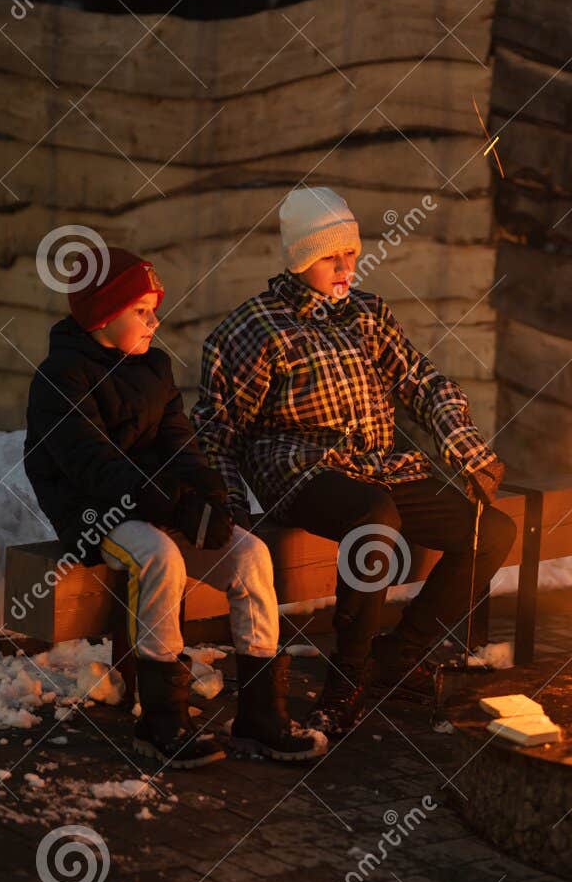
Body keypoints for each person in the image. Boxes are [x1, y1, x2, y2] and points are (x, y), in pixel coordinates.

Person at [193, 187, 515, 738]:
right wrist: (229, 508)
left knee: (492, 531)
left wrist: (467, 448)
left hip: (375, 466)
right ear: (299, 259)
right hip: (300, 470)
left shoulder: (367, 314)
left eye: (351, 254)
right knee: (375, 517)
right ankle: (345, 679)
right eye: (330, 257)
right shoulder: (254, 329)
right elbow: (216, 429)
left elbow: (422, 382)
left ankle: (397, 657)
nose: (346, 268)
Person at [22, 248, 321, 769]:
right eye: (141, 310)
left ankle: (260, 715)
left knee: (251, 555)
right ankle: (162, 721)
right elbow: (93, 466)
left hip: (158, 502)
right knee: (160, 558)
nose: (154, 321)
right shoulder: (59, 377)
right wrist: (173, 505)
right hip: (94, 513)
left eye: (154, 309)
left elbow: (181, 446)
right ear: (103, 315)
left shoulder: (154, 368)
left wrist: (211, 500)